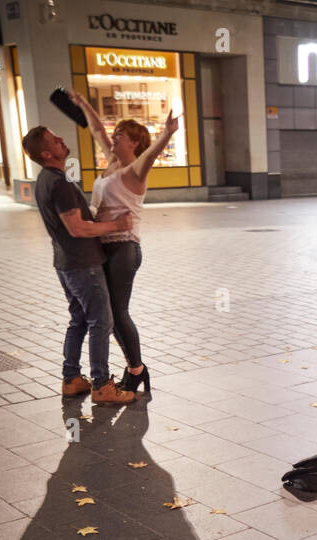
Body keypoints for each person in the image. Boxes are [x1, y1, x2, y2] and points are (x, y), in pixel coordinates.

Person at [68, 90, 178, 394]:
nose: (113, 138)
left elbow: (152, 154)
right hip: (103, 246)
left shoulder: (134, 171)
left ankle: (137, 369)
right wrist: (83, 104)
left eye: (121, 135)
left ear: (135, 143)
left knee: (117, 313)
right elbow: (97, 130)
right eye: (115, 134)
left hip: (123, 249)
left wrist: (166, 134)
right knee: (109, 314)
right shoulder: (111, 164)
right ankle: (135, 368)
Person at [21, 125, 134, 405]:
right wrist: (115, 225)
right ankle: (102, 385)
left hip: (65, 261)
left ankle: (71, 379)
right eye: (54, 139)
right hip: (83, 263)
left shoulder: (46, 179)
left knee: (80, 319)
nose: (61, 139)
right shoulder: (58, 183)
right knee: (101, 321)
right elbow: (77, 228)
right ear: (47, 153)